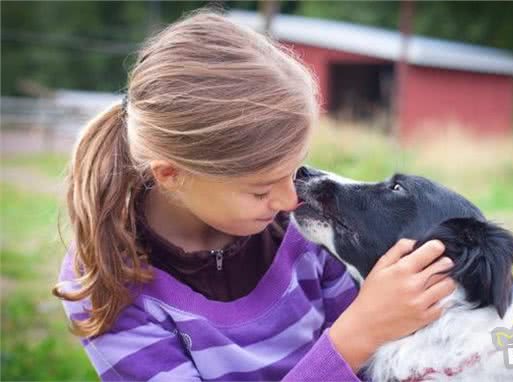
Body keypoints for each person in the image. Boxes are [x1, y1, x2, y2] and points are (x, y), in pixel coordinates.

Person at [53, 7, 456, 381]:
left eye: (295, 170)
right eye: (261, 189)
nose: (291, 201)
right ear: (171, 175)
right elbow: (360, 338)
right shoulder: (108, 282)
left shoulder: (307, 234)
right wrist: (356, 335)